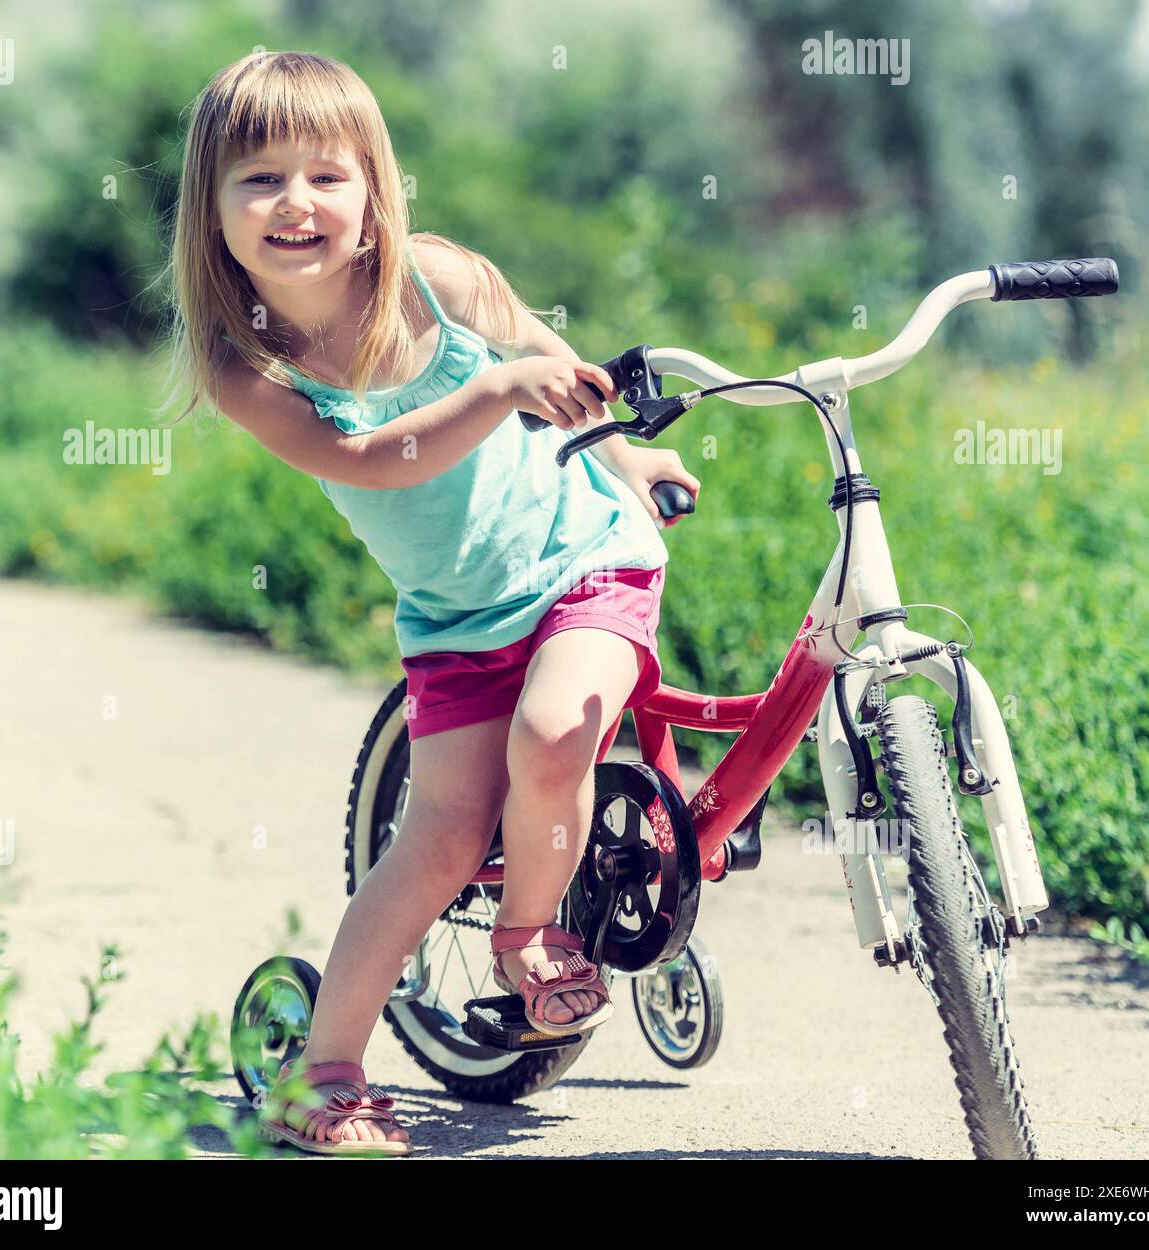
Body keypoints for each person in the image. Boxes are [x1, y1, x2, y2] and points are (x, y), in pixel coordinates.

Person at [159, 49, 699, 1156]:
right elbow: (372, 456)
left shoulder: (436, 280)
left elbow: (554, 363)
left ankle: (528, 933)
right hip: (455, 617)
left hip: (582, 554)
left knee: (555, 734)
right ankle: (326, 1074)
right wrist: (494, 388)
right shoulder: (243, 365)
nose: (295, 203)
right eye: (258, 180)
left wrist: (627, 464)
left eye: (326, 174)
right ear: (211, 213)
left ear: (374, 193)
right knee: (437, 836)